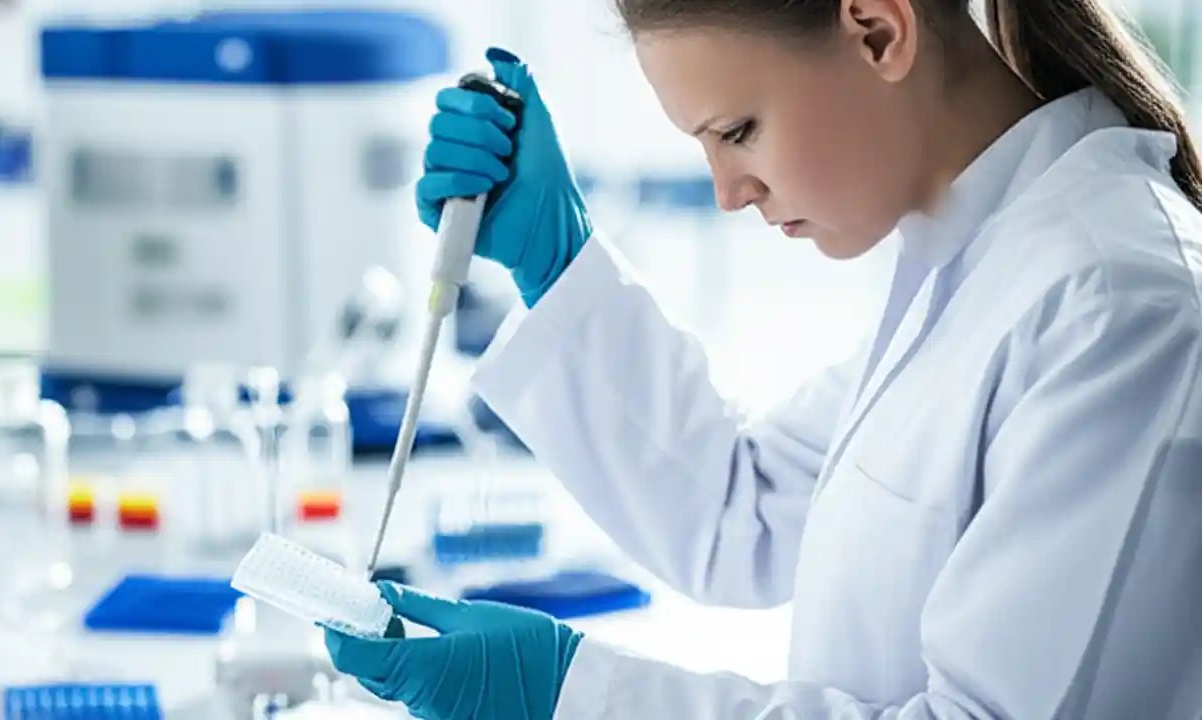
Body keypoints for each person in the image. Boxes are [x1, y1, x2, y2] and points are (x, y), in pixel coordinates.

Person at [324, 1, 1202, 718]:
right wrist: (556, 265)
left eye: (738, 131)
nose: (727, 191)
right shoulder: (970, 263)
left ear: (877, 30)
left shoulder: (1118, 304)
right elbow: (740, 509)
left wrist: (573, 694)